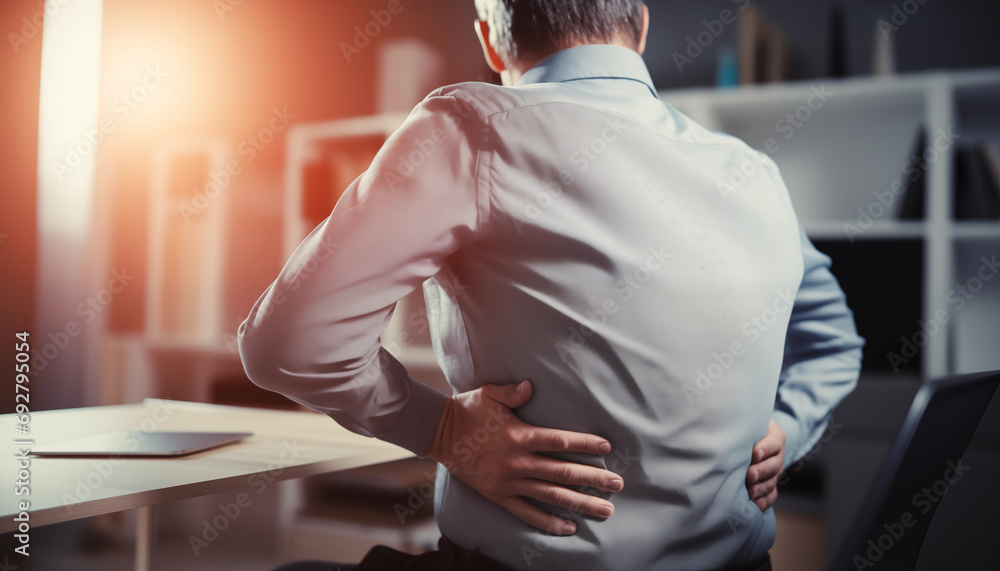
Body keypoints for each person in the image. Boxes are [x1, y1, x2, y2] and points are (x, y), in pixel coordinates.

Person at [239, 1, 864, 569]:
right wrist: (789, 425)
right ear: (641, 26)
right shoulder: (755, 173)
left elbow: (285, 344)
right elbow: (834, 341)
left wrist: (439, 429)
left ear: (490, 41)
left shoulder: (470, 128)